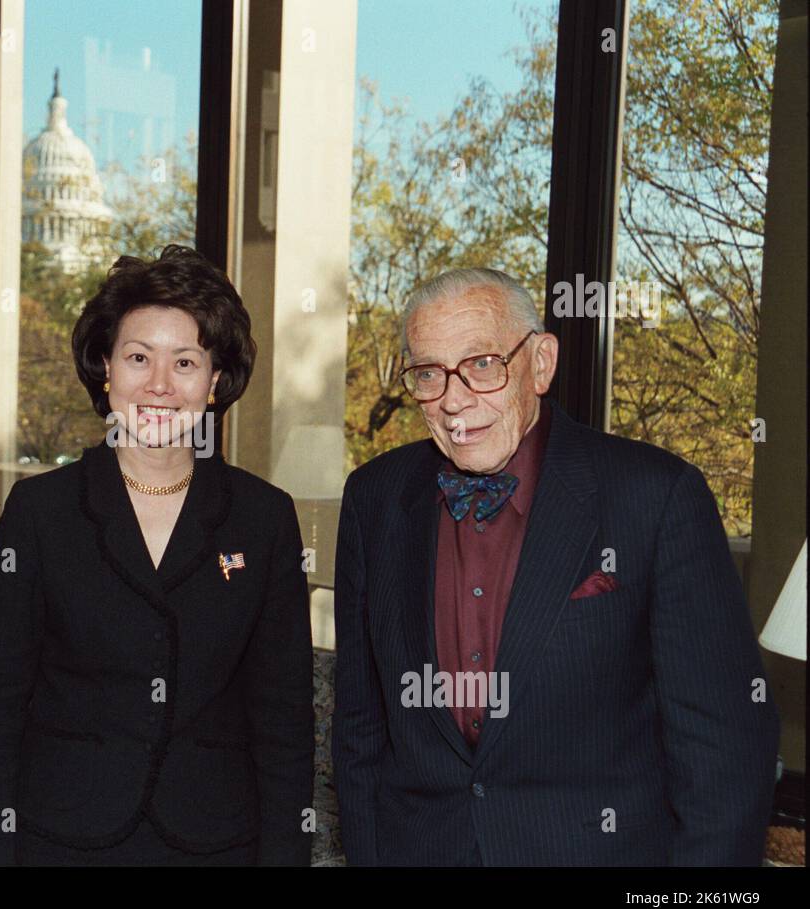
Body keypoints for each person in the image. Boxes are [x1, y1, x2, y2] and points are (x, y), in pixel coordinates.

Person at [332, 267, 779, 866]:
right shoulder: (374, 498)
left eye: (483, 364)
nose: (454, 399)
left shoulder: (655, 495)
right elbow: (360, 729)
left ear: (540, 363)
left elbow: (723, 748)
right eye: (429, 374)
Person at [0, 244, 314, 865]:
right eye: (137, 357)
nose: (158, 384)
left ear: (214, 382)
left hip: (216, 844)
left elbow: (284, 724)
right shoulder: (39, 511)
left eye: (184, 361)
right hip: (61, 841)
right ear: (105, 368)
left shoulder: (264, 519)